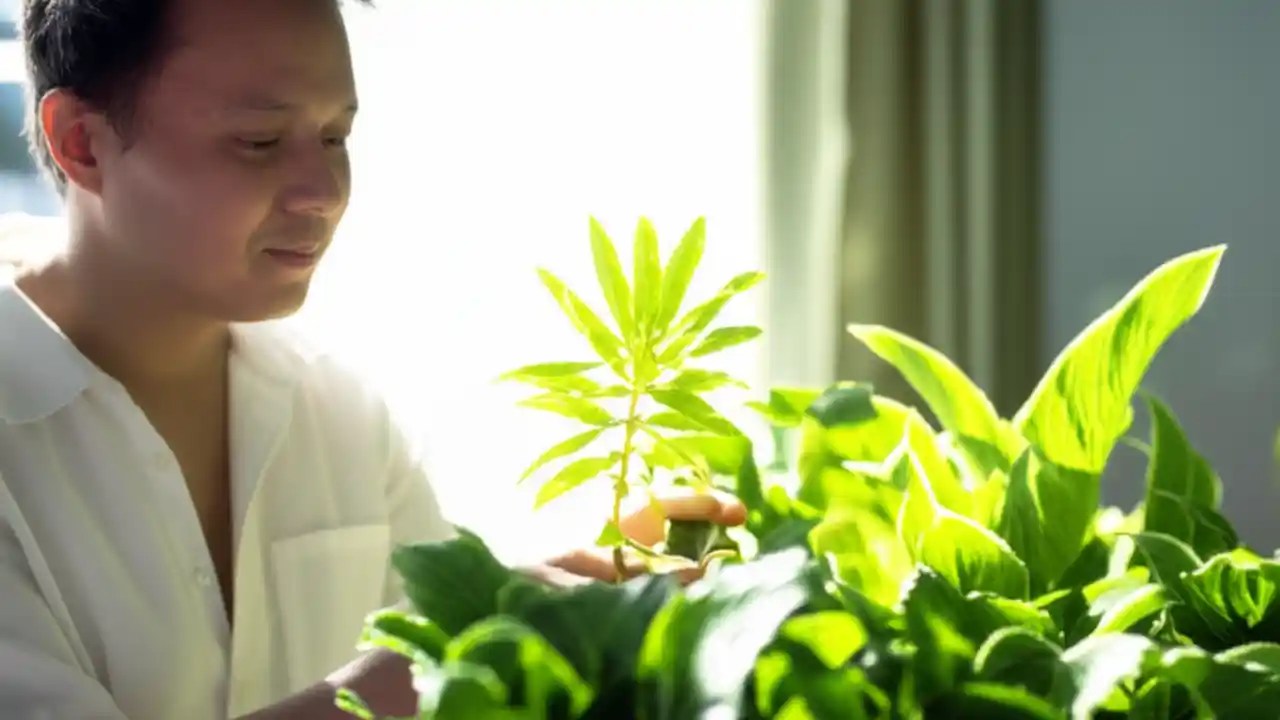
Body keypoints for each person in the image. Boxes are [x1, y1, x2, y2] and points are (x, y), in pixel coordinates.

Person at [0, 1, 747, 718]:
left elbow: (448, 658)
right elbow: (422, 666)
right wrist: (432, 662)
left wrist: (580, 603)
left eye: (335, 138)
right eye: (259, 141)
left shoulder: (338, 410)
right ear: (81, 142)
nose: (324, 193)